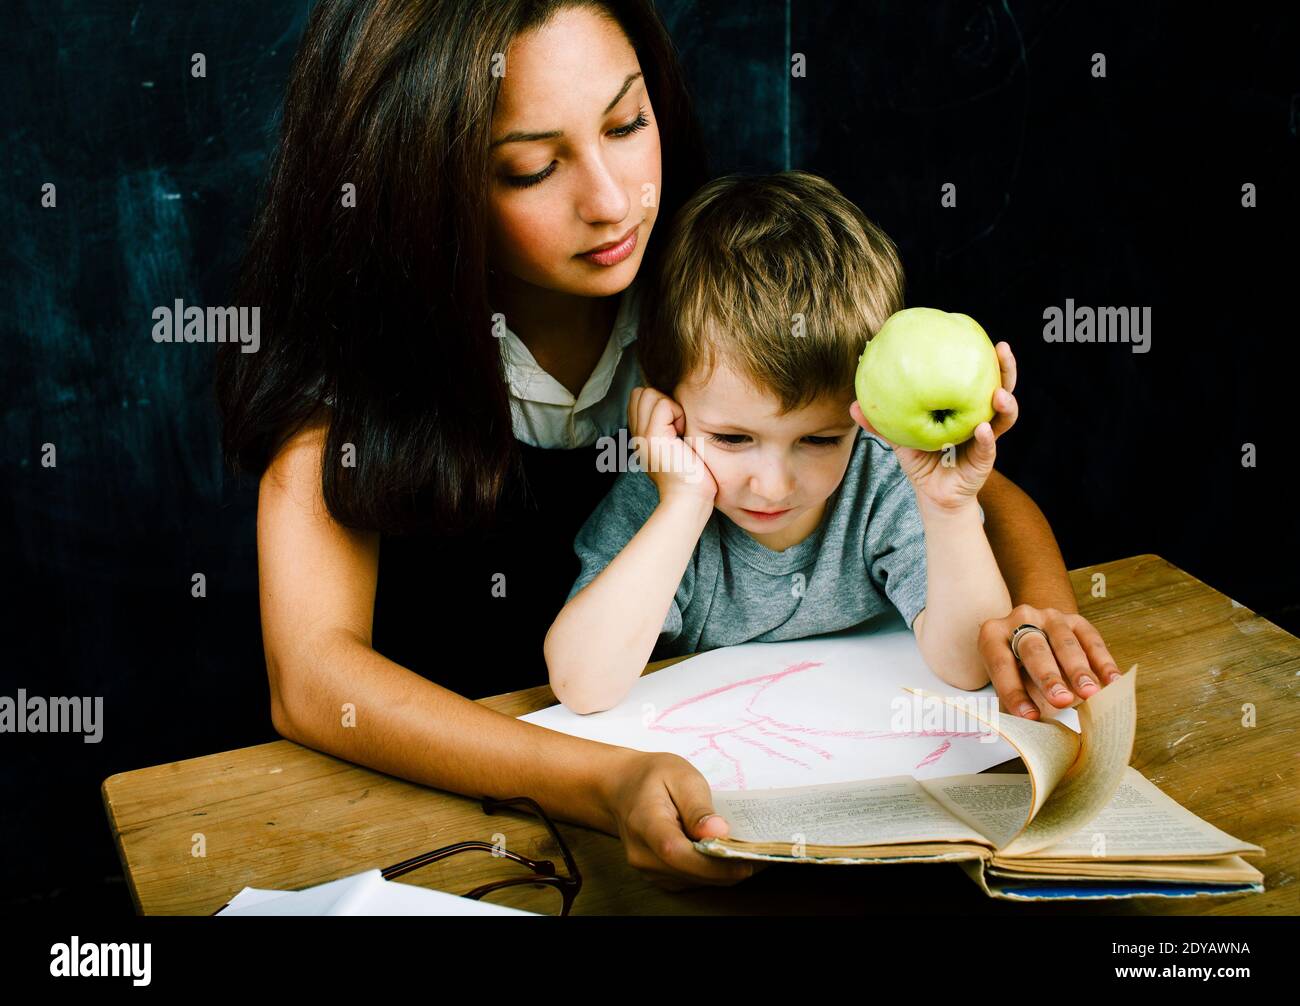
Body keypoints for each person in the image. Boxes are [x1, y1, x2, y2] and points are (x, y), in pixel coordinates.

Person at [215, 0, 1122, 892]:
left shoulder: (710, 283)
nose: (611, 203)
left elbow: (956, 487)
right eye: (531, 169)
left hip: (733, 788)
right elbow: (313, 677)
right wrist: (598, 783)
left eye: (626, 123)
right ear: (419, 184)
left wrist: (1034, 619)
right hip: (447, 816)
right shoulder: (349, 364)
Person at [545, 171, 1013, 713]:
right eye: (732, 438)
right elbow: (581, 685)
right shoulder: (659, 493)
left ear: (868, 412)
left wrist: (949, 509)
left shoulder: (884, 478)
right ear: (664, 402)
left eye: (818, 439)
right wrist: (684, 505)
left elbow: (971, 665)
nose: (772, 486)